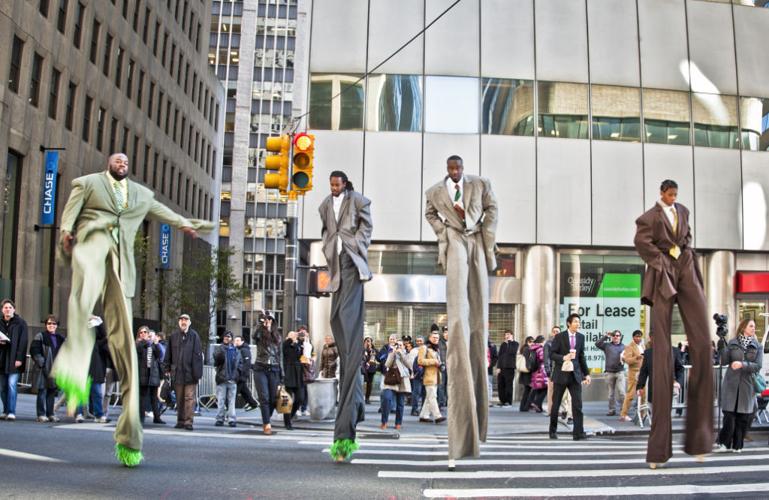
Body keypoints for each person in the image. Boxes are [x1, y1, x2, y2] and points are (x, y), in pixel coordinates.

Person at [54, 152, 212, 466]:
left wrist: (184, 225)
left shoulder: (140, 195)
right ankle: (72, 374)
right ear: (108, 165)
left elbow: (162, 211)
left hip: (121, 267)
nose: (122, 163)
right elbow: (69, 215)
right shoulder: (87, 184)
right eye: (117, 160)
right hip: (92, 244)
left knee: (124, 339)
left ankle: (129, 436)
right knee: (82, 300)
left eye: (127, 161)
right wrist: (66, 234)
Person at [424, 154, 498, 467]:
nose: (455, 172)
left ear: (463, 169)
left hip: (477, 242)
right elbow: (430, 214)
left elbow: (493, 207)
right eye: (451, 168)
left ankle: (478, 423)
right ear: (447, 169)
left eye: (459, 168)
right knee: (457, 320)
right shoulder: (435, 192)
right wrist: (443, 232)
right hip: (454, 241)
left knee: (477, 323)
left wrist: (486, 233)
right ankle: (462, 428)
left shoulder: (480, 184)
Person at [634, 179, 713, 468]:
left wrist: (684, 254)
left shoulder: (684, 211)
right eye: (669, 194)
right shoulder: (648, 218)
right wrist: (661, 259)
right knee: (663, 356)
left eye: (676, 195)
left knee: (703, 345)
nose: (673, 198)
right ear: (661, 193)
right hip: (662, 272)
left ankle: (700, 439)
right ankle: (658, 451)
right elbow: (641, 243)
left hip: (686, 268)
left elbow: (687, 236)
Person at [318, 170, 373, 462]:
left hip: (352, 260)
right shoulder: (326, 204)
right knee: (335, 319)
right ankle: (357, 406)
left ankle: (346, 433)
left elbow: (367, 227)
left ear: (345, 183)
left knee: (349, 339)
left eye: (338, 184)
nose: (334, 188)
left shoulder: (358, 200)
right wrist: (330, 244)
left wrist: (356, 244)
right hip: (336, 263)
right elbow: (326, 229)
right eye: (331, 185)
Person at [715, 319, 763, 453]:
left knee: (742, 417)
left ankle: (738, 445)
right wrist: (721, 345)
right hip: (731, 383)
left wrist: (743, 365)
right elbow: (724, 361)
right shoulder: (732, 342)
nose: (754, 328)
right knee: (729, 415)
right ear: (743, 328)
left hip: (747, 385)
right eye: (751, 326)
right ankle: (724, 443)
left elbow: (758, 366)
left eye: (754, 326)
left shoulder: (757, 346)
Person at [548, 313, 591, 440]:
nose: (578, 324)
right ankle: (553, 431)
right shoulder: (560, 337)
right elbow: (552, 354)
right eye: (576, 322)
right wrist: (563, 357)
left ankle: (578, 433)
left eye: (579, 322)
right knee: (556, 404)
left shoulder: (581, 337)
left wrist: (586, 374)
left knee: (578, 405)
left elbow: (581, 357)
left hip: (575, 375)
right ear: (569, 323)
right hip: (561, 375)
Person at [163, 314, 204, 432]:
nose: (183, 322)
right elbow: (168, 354)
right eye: (181, 320)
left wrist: (198, 374)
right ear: (178, 322)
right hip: (177, 373)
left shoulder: (194, 336)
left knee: (189, 398)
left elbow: (198, 356)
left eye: (185, 320)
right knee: (180, 399)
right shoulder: (174, 336)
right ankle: (180, 421)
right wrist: (167, 369)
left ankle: (188, 422)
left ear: (189, 322)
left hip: (190, 374)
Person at [636, 336, 685, 424]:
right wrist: (640, 387)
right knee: (656, 417)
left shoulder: (674, 351)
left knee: (666, 417)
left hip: (670, 389)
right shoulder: (648, 353)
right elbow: (644, 371)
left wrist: (679, 382)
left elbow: (680, 369)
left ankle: (662, 432)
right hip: (654, 390)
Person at [30, 315, 65, 422]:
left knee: (51, 392)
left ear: (57, 326)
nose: (51, 325)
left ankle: (51, 414)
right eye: (49, 323)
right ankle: (41, 414)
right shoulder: (40, 336)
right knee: (42, 392)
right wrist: (42, 363)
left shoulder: (60, 338)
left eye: (54, 324)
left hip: (56, 369)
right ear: (46, 325)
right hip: (43, 369)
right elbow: (34, 351)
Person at [253, 310, 281, 435]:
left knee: (273, 399)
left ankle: (266, 418)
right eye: (266, 319)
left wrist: (282, 375)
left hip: (274, 369)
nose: (268, 321)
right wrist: (262, 323)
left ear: (273, 322)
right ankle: (266, 424)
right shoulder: (259, 334)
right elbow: (254, 335)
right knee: (264, 397)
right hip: (261, 367)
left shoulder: (277, 336)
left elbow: (280, 356)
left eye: (270, 319)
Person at [0, 299, 28, 421]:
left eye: (10, 307)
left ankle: (11, 411)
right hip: (1, 359)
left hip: (13, 359)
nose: (8, 309)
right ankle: (5, 410)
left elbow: (23, 342)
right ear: (2, 310)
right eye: (5, 307)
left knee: (12, 386)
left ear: (14, 309)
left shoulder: (21, 323)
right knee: (2, 387)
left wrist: (19, 358)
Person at [380, 339, 411, 430]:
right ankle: (384, 421)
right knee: (386, 398)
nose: (399, 346)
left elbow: (409, 365)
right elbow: (387, 364)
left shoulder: (406, 355)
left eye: (401, 345)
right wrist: (393, 353)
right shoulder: (392, 353)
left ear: (404, 346)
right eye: (397, 345)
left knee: (400, 403)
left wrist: (401, 354)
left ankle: (398, 423)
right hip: (391, 380)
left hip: (402, 381)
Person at [136, 326, 164, 425]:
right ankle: (141, 417)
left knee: (154, 397)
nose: (143, 334)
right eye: (141, 332)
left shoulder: (153, 344)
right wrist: (145, 342)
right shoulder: (138, 344)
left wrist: (155, 344)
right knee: (142, 397)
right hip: (143, 373)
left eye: (145, 332)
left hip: (153, 374)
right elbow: (138, 351)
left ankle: (157, 417)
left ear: (148, 334)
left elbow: (160, 355)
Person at [86, 318, 112, 424]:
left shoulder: (98, 343)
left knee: (97, 394)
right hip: (85, 370)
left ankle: (98, 414)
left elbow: (105, 336)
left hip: (94, 372)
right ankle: (80, 413)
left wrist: (99, 323)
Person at [213, 332, 241, 428]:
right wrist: (222, 350)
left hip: (232, 379)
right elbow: (216, 360)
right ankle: (220, 419)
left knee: (231, 401)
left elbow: (239, 364)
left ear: (231, 339)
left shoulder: (236, 350)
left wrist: (237, 375)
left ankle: (231, 419)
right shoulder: (220, 349)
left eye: (228, 337)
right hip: (222, 378)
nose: (226, 338)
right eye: (225, 336)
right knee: (221, 399)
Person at [595, 330, 626, 417]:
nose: (615, 337)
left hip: (620, 372)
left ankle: (623, 410)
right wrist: (605, 336)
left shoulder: (624, 347)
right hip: (609, 372)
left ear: (620, 336)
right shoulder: (607, 345)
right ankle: (611, 410)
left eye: (617, 335)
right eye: (614, 335)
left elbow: (628, 358)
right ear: (612, 336)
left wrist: (624, 359)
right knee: (610, 394)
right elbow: (597, 344)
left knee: (622, 392)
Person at [419, 331, 445, 423]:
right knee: (432, 396)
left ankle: (424, 416)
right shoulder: (424, 347)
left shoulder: (436, 349)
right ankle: (437, 416)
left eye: (437, 338)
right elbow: (420, 361)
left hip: (436, 376)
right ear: (429, 338)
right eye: (434, 337)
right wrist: (434, 361)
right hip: (428, 376)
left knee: (429, 397)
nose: (435, 339)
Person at [620, 330, 645, 422]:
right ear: (633, 337)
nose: (638, 338)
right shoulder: (629, 346)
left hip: (642, 373)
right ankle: (623, 414)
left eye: (640, 336)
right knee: (630, 394)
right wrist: (637, 357)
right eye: (636, 336)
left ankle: (642, 415)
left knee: (643, 394)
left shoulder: (642, 345)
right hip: (633, 373)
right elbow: (627, 360)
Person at [282, 330, 305, 430]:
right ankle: (287, 422)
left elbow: (302, 355)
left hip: (298, 373)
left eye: (294, 334)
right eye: (291, 335)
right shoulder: (286, 344)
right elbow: (287, 353)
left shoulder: (299, 345)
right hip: (289, 373)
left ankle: (290, 416)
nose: (294, 336)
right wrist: (291, 339)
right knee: (287, 400)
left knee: (300, 398)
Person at [233, 335, 259, 411]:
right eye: (235, 341)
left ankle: (229, 410)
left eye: (238, 340)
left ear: (242, 341)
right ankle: (253, 404)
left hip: (241, 375)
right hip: (239, 375)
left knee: (234, 393)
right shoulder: (238, 349)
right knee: (244, 391)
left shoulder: (244, 350)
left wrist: (242, 375)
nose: (236, 342)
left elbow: (247, 364)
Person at [496, 330, 518, 407]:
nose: (507, 336)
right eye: (506, 335)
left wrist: (510, 342)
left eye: (508, 334)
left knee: (508, 385)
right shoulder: (503, 344)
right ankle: (502, 400)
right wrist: (498, 367)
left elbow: (512, 352)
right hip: (502, 368)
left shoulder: (515, 344)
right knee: (501, 385)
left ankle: (508, 402)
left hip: (510, 367)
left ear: (512, 335)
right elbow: (500, 356)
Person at [526, 335, 548, 412]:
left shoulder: (533, 348)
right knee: (546, 388)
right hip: (541, 371)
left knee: (539, 389)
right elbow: (543, 358)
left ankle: (539, 407)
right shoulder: (540, 349)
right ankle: (536, 402)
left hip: (535, 371)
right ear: (542, 341)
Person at [518, 336, 534, 412]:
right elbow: (527, 361)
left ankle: (523, 407)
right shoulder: (527, 349)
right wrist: (530, 368)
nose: (532, 343)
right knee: (527, 391)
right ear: (527, 342)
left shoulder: (524, 348)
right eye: (530, 342)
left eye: (533, 342)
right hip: (527, 373)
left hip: (524, 373)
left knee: (527, 390)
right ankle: (524, 407)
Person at [362, 337, 378, 405]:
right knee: (361, 383)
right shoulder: (362, 349)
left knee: (369, 384)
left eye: (369, 341)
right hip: (363, 368)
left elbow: (377, 357)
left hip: (371, 369)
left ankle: (367, 398)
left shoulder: (374, 350)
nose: (368, 343)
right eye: (366, 341)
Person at [438, 326, 448, 409]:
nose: (446, 333)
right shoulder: (439, 342)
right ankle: (441, 402)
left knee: (450, 385)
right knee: (441, 385)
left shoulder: (454, 341)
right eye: (445, 332)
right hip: (442, 366)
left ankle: (449, 402)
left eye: (448, 331)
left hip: (451, 367)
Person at [487, 338, 498, 406]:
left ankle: (489, 401)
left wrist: (491, 364)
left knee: (489, 385)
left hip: (489, 368)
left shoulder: (492, 346)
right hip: (478, 367)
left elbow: (495, 357)